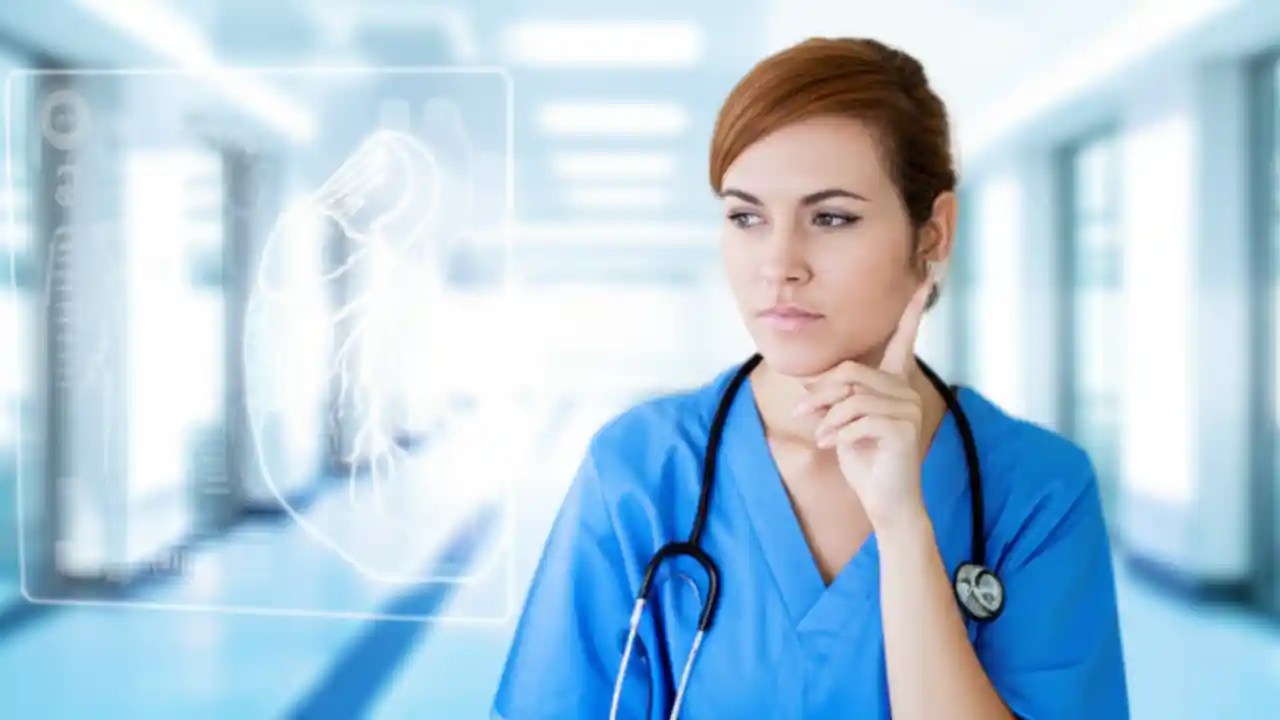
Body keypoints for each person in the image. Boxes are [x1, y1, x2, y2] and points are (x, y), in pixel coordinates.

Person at [492, 36, 1129, 719]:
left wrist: (903, 526)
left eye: (830, 218)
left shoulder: (1036, 490)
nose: (779, 264)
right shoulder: (640, 472)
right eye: (746, 216)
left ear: (934, 233)